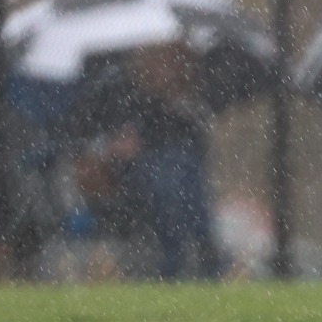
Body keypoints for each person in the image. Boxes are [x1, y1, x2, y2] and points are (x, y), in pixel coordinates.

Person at [69, 42, 217, 280]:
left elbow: (193, 144)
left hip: (169, 182)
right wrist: (112, 147)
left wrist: (174, 102)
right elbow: (82, 141)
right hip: (124, 183)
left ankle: (196, 250)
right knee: (167, 177)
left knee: (179, 171)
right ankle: (186, 254)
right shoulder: (113, 92)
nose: (165, 68)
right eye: (161, 60)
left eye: (172, 62)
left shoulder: (183, 106)